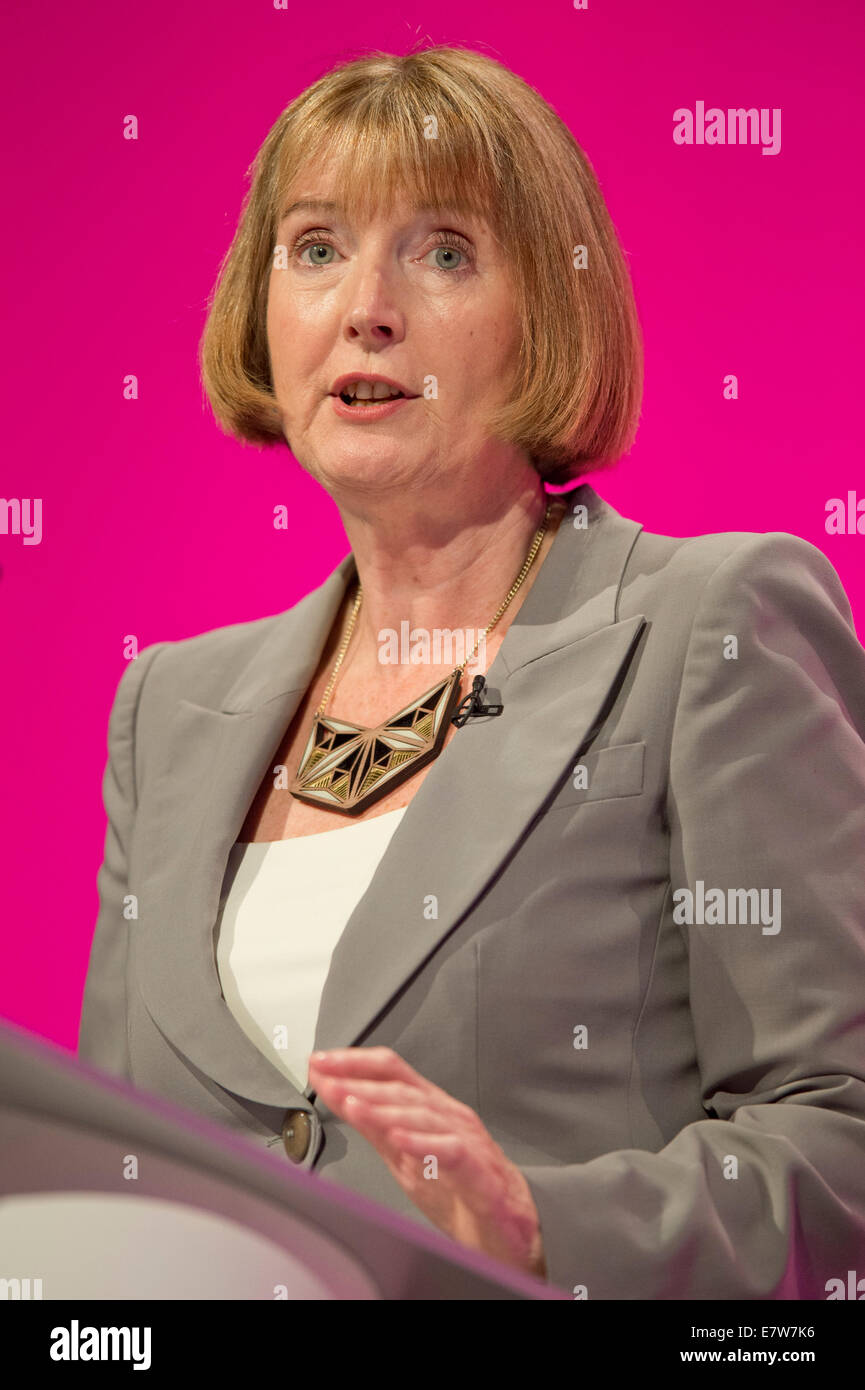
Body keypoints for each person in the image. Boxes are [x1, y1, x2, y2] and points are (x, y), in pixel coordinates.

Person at [79, 44, 865, 1297]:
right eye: (316, 246)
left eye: (442, 252)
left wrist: (545, 1229)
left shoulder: (710, 623)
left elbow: (840, 1144)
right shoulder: (167, 708)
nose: (364, 308)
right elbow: (114, 1182)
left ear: (551, 312)